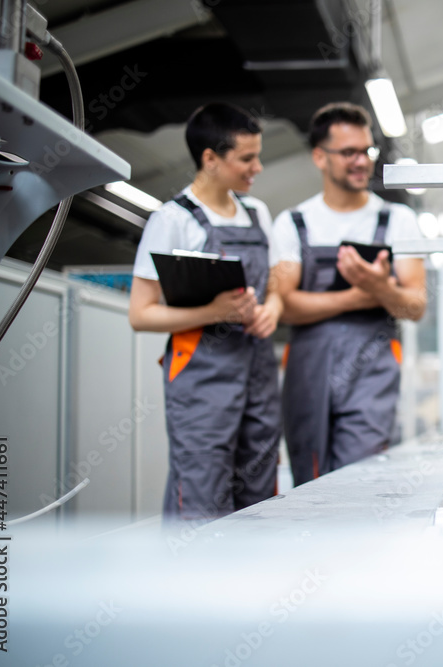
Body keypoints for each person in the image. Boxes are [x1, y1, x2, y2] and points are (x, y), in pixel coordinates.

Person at [128, 102, 282, 522]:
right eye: (247, 158)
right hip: (200, 371)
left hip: (258, 368)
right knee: (202, 490)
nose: (258, 168)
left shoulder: (258, 213)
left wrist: (273, 306)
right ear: (210, 159)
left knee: (260, 487)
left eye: (258, 155)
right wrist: (213, 311)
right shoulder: (173, 220)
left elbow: (277, 282)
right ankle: (192, 585)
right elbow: (140, 314)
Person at [271, 102, 426, 485]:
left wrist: (379, 287)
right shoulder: (293, 223)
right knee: (309, 477)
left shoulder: (397, 221)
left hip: (371, 365)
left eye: (367, 151)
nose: (362, 161)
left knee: (362, 478)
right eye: (349, 152)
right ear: (320, 157)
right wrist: (361, 295)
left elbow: (416, 304)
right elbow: (285, 305)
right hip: (307, 368)